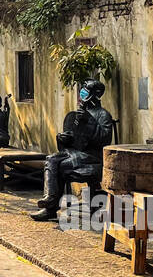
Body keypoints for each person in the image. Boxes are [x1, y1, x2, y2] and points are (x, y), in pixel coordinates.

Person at [30, 80, 114, 221]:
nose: (82, 94)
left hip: (92, 156)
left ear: (94, 95)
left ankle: (50, 206)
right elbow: (74, 138)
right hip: (76, 153)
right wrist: (63, 138)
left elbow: (104, 139)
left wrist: (89, 121)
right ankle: (49, 201)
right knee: (51, 159)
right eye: (83, 90)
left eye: (86, 91)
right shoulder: (79, 113)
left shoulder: (103, 115)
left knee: (60, 166)